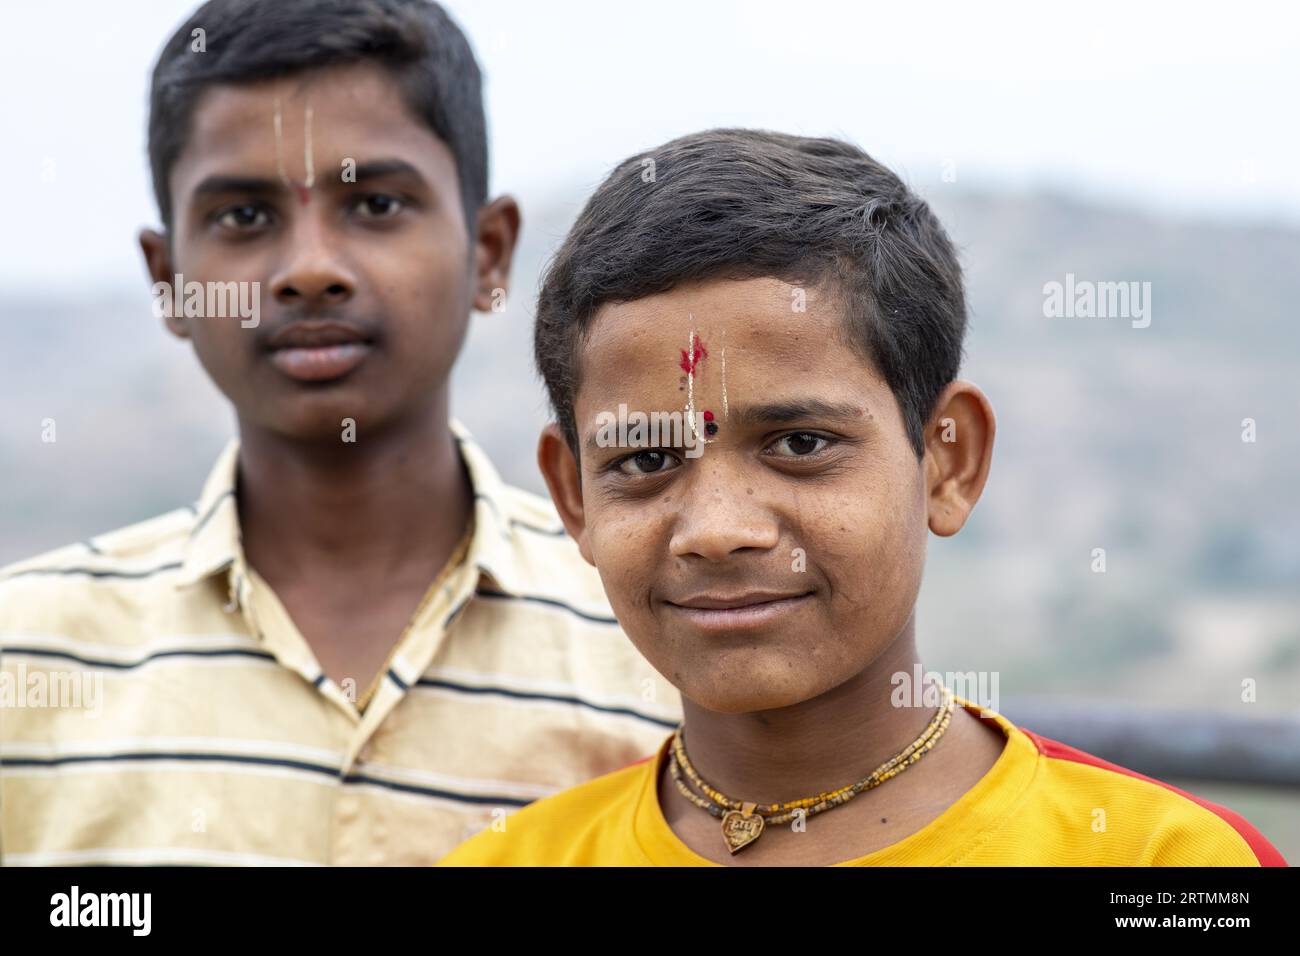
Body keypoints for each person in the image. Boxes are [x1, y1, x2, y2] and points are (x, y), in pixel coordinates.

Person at [439, 128, 1286, 866]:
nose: (718, 530)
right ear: (574, 497)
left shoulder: (1162, 862)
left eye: (800, 444)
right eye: (645, 458)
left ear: (948, 461)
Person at [0, 0, 679, 866]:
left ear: (490, 253)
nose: (310, 269)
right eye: (244, 217)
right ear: (170, 281)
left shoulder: (661, 637)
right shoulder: (27, 653)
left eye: (377, 203)